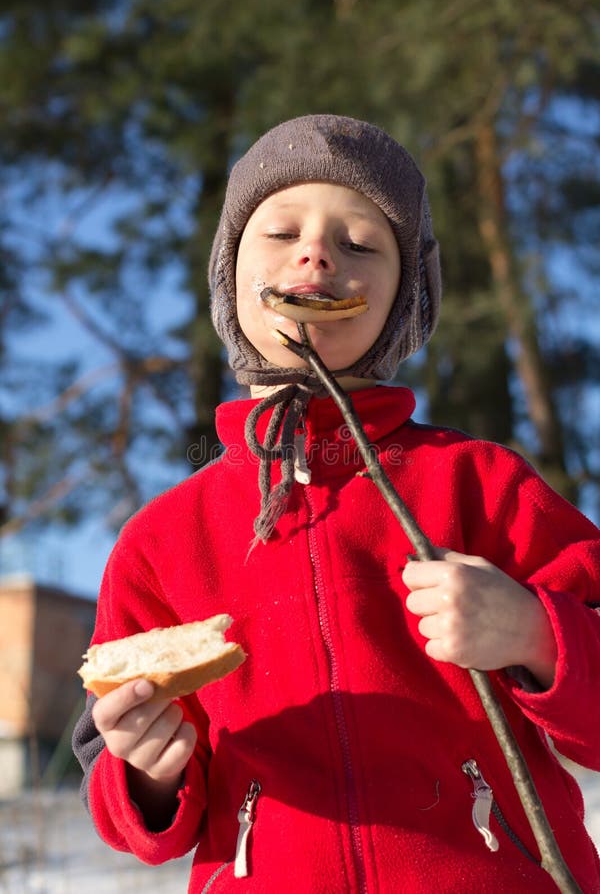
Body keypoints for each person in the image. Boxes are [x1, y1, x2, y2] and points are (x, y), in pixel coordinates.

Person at [72, 114, 600, 893]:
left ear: (405, 298)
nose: (316, 253)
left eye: (360, 244)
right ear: (229, 277)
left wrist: (534, 632)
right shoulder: (161, 541)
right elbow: (129, 808)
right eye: (281, 232)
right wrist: (147, 772)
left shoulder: (481, 483)